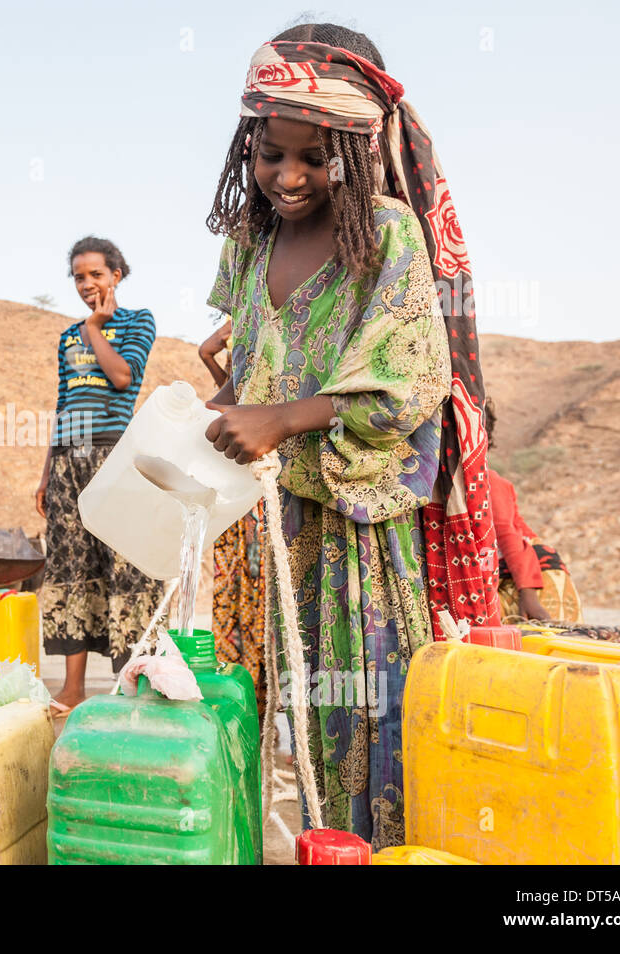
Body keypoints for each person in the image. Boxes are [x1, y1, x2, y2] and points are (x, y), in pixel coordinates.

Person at [200, 23, 484, 847]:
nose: (286, 177)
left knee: (366, 721)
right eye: (267, 153)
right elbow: (254, 362)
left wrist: (283, 419)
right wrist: (217, 412)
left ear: (354, 151)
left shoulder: (387, 233)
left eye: (311, 156)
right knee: (266, 714)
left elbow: (412, 381)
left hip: (354, 525)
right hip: (267, 518)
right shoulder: (250, 239)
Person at [36, 236, 165, 711]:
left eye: (95, 274)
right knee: (71, 567)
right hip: (69, 461)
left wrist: (96, 326)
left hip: (114, 457)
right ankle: (72, 689)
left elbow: (123, 378)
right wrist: (47, 473)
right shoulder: (68, 338)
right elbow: (63, 403)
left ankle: (133, 686)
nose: (87, 283)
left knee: (126, 564)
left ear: (116, 275)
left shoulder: (137, 322)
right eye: (78, 276)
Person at [199, 319, 268, 715]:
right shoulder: (246, 320)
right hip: (238, 479)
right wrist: (236, 319)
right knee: (237, 589)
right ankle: (244, 700)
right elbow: (207, 349)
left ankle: (262, 702)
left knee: (259, 591)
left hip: (260, 476)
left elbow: (207, 349)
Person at [484, 399, 583, 623]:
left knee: (543, 634)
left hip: (531, 575)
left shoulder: (488, 481)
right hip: (516, 568)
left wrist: (527, 593)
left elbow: (508, 535)